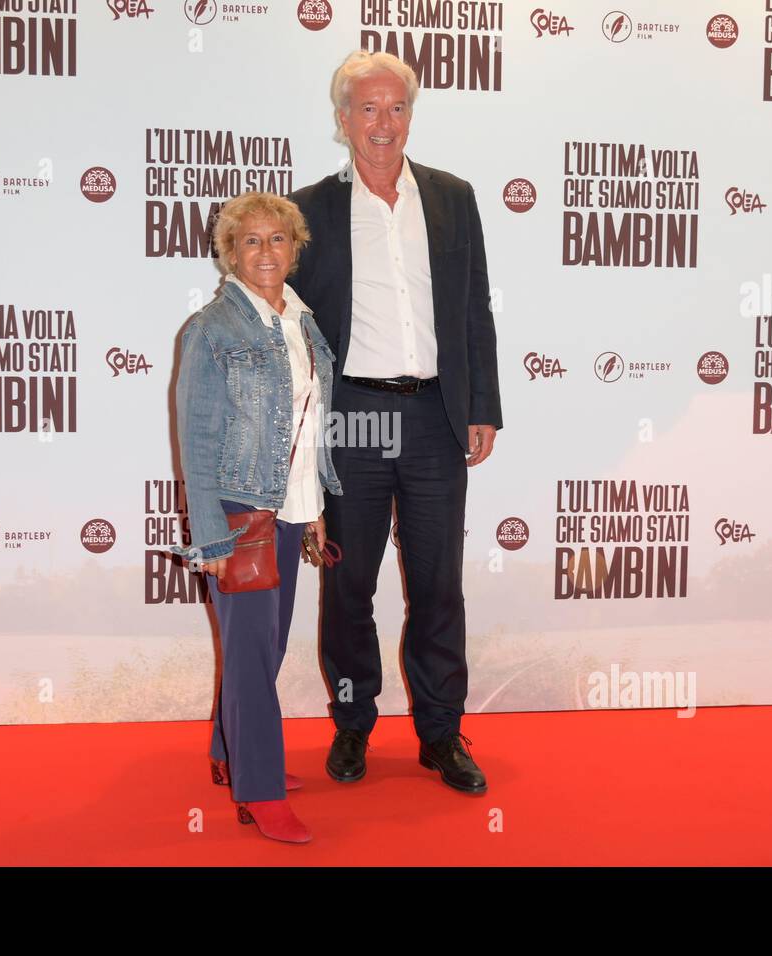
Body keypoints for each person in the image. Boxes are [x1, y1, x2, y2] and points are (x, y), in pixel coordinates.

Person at [289, 50, 503, 793]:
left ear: (412, 116)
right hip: (354, 415)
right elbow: (284, 327)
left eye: (397, 108)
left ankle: (442, 734)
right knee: (350, 588)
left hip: (438, 415)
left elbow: (475, 309)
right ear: (342, 118)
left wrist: (482, 406)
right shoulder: (309, 211)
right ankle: (353, 724)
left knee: (439, 584)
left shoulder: (453, 197)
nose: (384, 124)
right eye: (368, 109)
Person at [172, 191, 340, 843]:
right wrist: (209, 530)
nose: (265, 251)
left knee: (263, 647)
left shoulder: (303, 321)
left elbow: (308, 424)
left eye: (278, 239)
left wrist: (315, 503)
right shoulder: (211, 329)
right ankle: (260, 789)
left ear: (295, 250)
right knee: (248, 654)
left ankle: (229, 751)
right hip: (240, 508)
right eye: (250, 241)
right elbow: (196, 436)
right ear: (230, 254)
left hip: (290, 505)